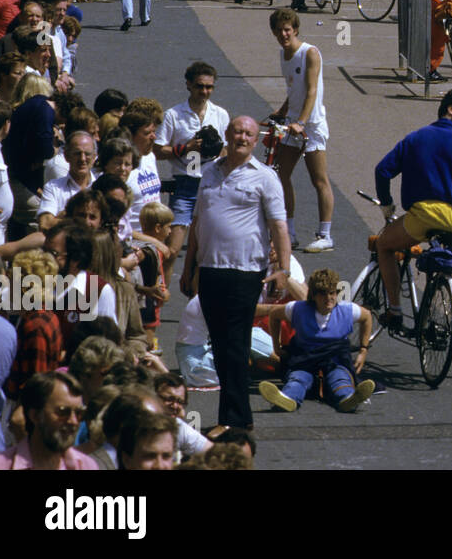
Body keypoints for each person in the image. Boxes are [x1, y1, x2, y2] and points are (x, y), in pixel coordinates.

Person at [180, 117, 291, 435]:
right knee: (221, 343)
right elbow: (198, 221)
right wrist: (189, 267)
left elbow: (279, 227)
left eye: (248, 133)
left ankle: (233, 420)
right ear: (228, 134)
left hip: (244, 272)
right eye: (237, 132)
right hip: (211, 270)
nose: (242, 137)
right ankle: (239, 417)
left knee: (235, 345)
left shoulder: (266, 178)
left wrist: (282, 268)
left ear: (256, 141)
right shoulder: (209, 172)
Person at [373, 88, 452, 379]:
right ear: (449, 110)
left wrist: (387, 207)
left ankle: (395, 309)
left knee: (384, 245)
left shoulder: (415, 138)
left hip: (425, 214)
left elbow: (382, 171)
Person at [257, 267, 376, 414]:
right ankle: (287, 399)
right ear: (313, 295)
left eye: (332, 293)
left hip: (335, 359)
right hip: (304, 359)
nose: (328, 298)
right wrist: (276, 345)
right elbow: (274, 315)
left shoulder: (347, 310)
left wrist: (363, 350)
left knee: (340, 378)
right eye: (323, 294)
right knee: (298, 378)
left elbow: (367, 317)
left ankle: (349, 399)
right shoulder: (298, 309)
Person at [153, 61, 229, 282]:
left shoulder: (220, 114)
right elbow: (158, 150)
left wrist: (217, 154)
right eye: (199, 86)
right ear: (188, 85)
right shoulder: (174, 115)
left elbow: (225, 148)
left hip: (213, 185)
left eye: (209, 87)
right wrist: (186, 148)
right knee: (172, 250)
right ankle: (161, 292)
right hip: (185, 186)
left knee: (212, 251)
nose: (204, 92)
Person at [267, 8, 334, 253]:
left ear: (295, 30)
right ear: (274, 32)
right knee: (281, 176)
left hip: (311, 126)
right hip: (292, 124)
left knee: (319, 180)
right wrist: (282, 112)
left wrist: (302, 123)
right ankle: (290, 232)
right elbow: (293, 89)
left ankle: (325, 235)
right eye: (279, 30)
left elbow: (311, 91)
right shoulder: (283, 55)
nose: (284, 34)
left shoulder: (310, 53)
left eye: (288, 29)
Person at [0, 371, 97, 469]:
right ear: (35, 415)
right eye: (63, 412)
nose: (73, 421)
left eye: (79, 413)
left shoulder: (86, 466)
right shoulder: (1, 466)